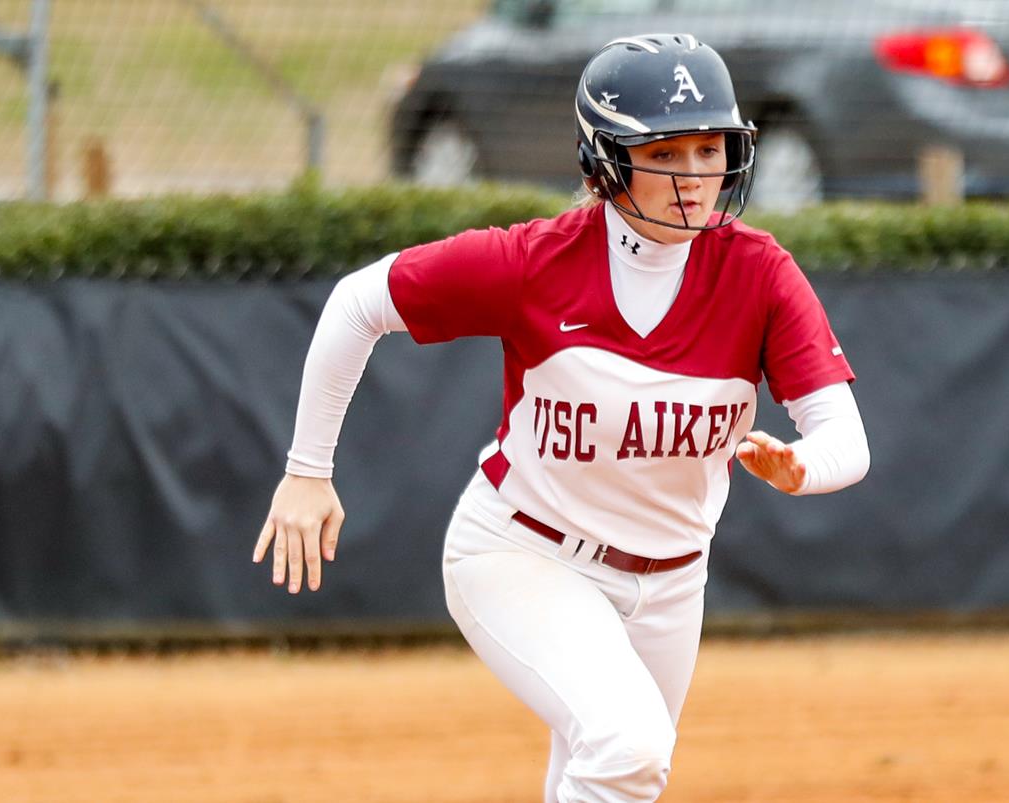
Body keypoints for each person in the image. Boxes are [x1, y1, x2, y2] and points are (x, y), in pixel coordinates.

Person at [250, 33, 869, 802]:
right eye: (665, 155)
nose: (696, 179)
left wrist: (802, 466)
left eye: (710, 150)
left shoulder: (758, 272)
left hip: (674, 582)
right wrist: (308, 470)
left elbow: (846, 437)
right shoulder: (535, 261)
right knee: (630, 746)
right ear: (605, 161)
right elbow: (359, 303)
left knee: (612, 772)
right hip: (525, 553)